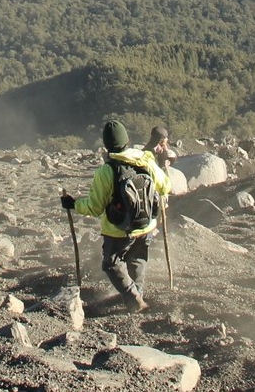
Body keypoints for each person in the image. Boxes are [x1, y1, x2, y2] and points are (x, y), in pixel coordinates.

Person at [61, 120, 172, 311]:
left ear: (106, 145)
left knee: (111, 263)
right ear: (127, 140)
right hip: (146, 225)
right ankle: (137, 295)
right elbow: (165, 187)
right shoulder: (146, 160)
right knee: (137, 258)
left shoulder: (107, 171)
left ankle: (132, 297)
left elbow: (95, 208)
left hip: (119, 228)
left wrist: (73, 204)